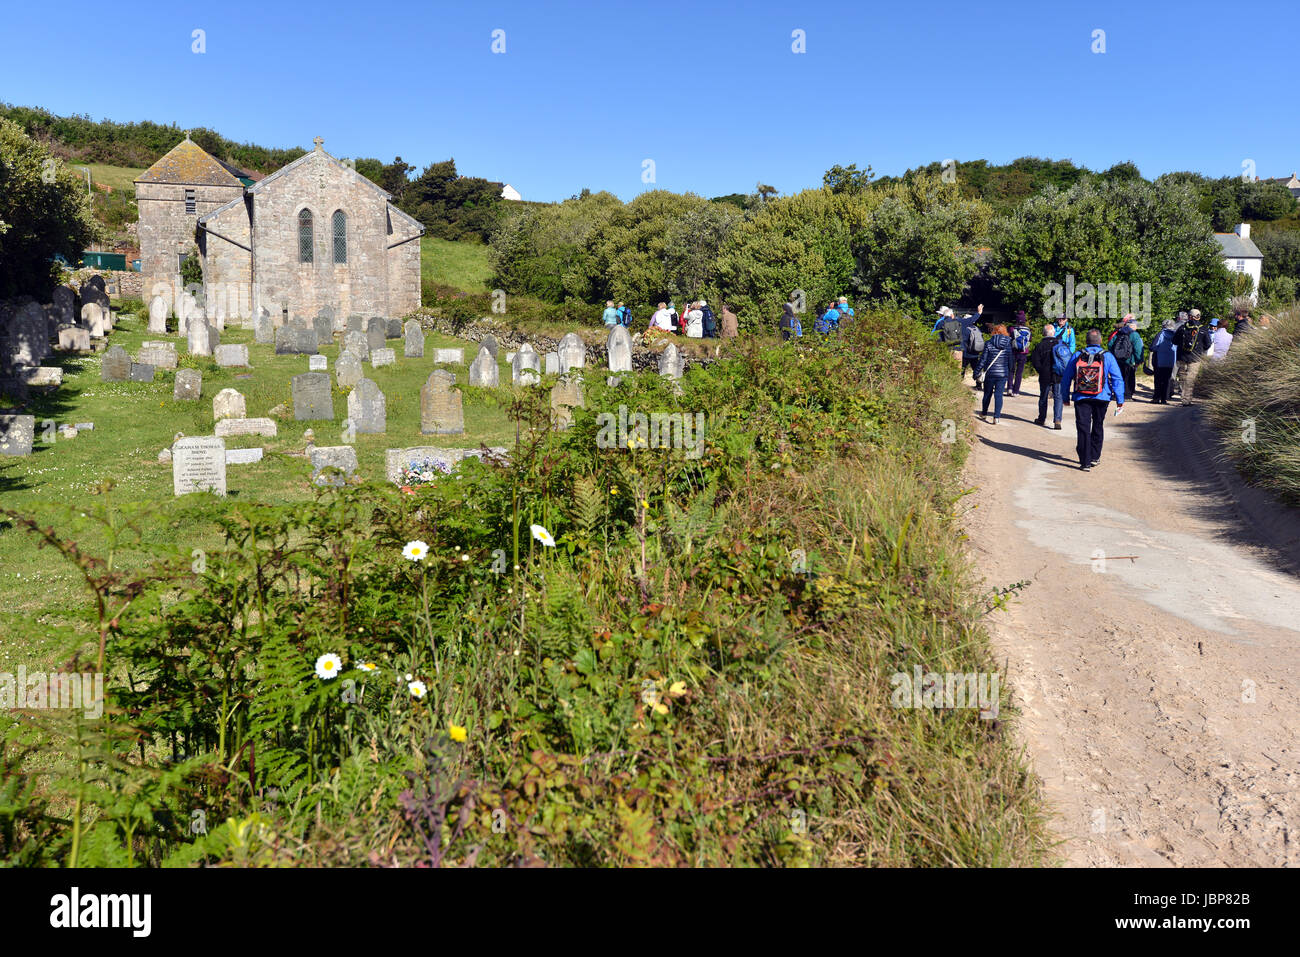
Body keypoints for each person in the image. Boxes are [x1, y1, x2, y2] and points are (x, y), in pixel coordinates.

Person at [1060, 329, 1125, 471]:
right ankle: (1095, 457)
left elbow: (1066, 378)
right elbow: (1117, 378)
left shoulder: (1078, 355)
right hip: (1102, 397)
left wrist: (1065, 397)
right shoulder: (1107, 356)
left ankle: (1085, 461)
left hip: (1081, 396)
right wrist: (1120, 399)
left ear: (1086, 341)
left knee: (1083, 427)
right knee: (1097, 425)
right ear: (1100, 341)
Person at [1029, 322, 1067, 429]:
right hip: (1058, 374)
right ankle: (1057, 420)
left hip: (1045, 374)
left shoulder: (1040, 345)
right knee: (1058, 397)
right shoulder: (1061, 343)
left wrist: (1041, 370)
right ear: (1054, 333)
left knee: (1044, 397)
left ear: (1044, 333)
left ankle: (1041, 419)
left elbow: (1035, 361)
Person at [975, 324, 1014, 424]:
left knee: (987, 394)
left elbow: (983, 360)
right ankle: (996, 417)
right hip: (1002, 374)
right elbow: (1010, 361)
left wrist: (976, 372)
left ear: (994, 332)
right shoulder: (1008, 344)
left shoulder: (989, 343)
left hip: (990, 372)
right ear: (1005, 332)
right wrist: (1010, 372)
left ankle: (984, 414)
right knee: (999, 395)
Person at [1172, 311, 1210, 405]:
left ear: (1189, 317)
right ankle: (1186, 399)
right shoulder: (1203, 329)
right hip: (1195, 358)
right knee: (1190, 379)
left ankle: (1183, 397)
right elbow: (1208, 344)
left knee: (1183, 378)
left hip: (1182, 357)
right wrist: (1200, 350)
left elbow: (1174, 341)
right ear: (1199, 317)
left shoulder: (1182, 328)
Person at [1106, 314, 1144, 401]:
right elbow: (1138, 349)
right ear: (1132, 326)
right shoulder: (1134, 335)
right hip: (1129, 360)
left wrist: (1115, 356)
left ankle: (1116, 395)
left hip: (1118, 360)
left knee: (1118, 377)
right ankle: (1127, 395)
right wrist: (1139, 360)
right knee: (1129, 377)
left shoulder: (1119, 332)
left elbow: (1110, 345)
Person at [1149, 318, 1178, 404]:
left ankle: (1156, 398)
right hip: (1170, 361)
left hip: (1159, 360)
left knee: (1158, 380)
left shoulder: (1160, 334)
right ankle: (1164, 399)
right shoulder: (1175, 335)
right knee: (1166, 380)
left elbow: (1153, 347)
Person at [1009, 310, 1032, 396]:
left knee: (1011, 370)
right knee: (1019, 372)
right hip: (1023, 352)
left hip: (1013, 351)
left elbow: (1010, 338)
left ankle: (1009, 388)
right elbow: (1030, 340)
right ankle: (1016, 391)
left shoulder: (1012, 329)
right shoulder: (1028, 330)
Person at [1055, 316, 1076, 406]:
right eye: (1059, 318)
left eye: (1063, 319)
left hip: (1065, 354)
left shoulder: (1069, 330)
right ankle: (1054, 390)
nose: (1061, 320)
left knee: (1064, 374)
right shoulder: (1053, 327)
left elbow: (1072, 344)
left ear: (1066, 319)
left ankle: (1062, 392)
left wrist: (1068, 355)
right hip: (1054, 352)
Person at [962, 315, 986, 385]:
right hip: (975, 353)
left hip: (966, 353)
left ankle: (959, 384)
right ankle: (979, 385)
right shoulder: (977, 329)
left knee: (962, 369)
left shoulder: (965, 329)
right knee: (976, 369)